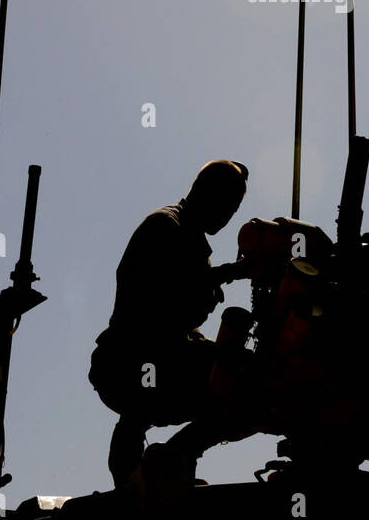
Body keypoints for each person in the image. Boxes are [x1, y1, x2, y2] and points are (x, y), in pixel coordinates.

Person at [88, 159, 249, 488]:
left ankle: (170, 464)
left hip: (159, 354)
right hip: (131, 359)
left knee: (240, 379)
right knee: (235, 380)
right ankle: (150, 470)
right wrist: (225, 276)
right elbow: (162, 302)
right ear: (203, 193)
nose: (227, 216)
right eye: (225, 206)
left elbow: (183, 309)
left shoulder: (189, 236)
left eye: (233, 210)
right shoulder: (166, 227)